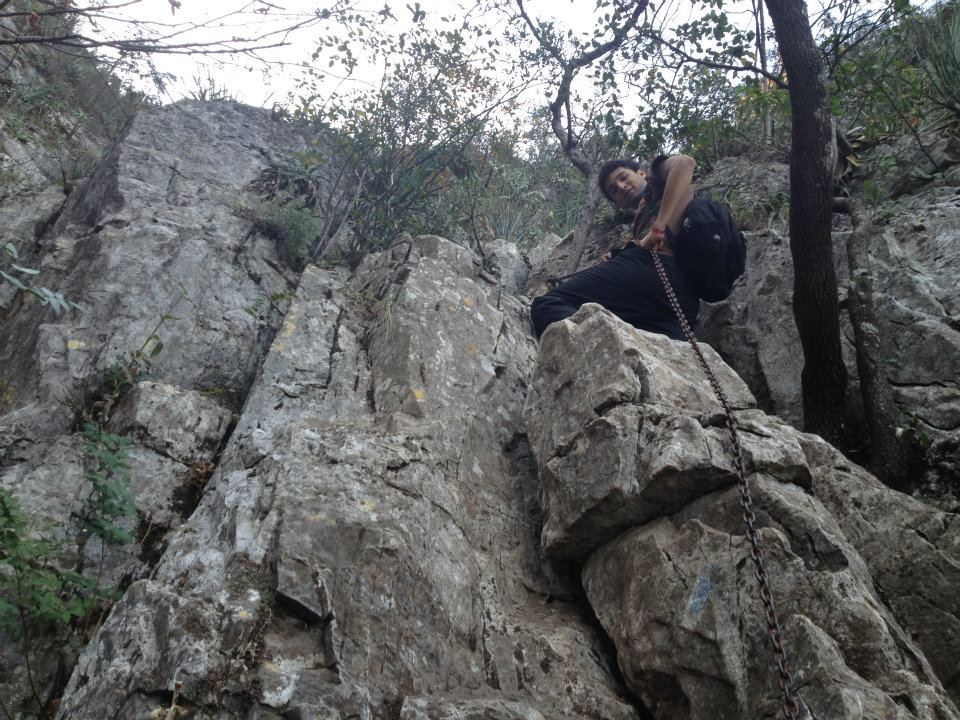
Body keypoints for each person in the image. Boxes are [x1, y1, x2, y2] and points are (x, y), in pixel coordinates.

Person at [530, 155, 699, 341]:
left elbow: (685, 163)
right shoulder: (642, 216)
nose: (621, 186)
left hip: (658, 275)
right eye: (614, 190)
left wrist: (658, 227)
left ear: (641, 173)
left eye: (623, 177)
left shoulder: (656, 179)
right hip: (682, 301)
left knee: (548, 304)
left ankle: (596, 351)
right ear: (619, 204)